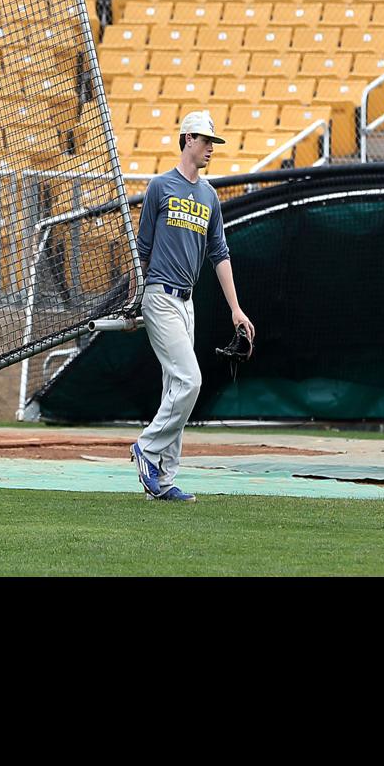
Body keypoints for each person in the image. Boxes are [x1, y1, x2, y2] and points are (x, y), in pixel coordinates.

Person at [129, 110, 256, 502]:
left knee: (175, 386)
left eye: (212, 142)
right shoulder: (160, 187)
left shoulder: (209, 196)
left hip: (187, 302)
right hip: (160, 296)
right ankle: (147, 449)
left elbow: (220, 253)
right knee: (190, 380)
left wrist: (236, 309)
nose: (209, 149)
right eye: (204, 141)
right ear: (186, 139)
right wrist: (137, 298)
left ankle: (163, 482)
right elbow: (143, 250)